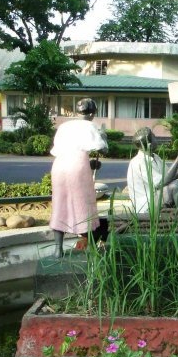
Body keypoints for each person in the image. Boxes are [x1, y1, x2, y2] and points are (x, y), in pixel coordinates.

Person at [49, 98, 108, 258]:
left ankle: (57, 249)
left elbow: (63, 148)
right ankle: (89, 248)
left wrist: (90, 163)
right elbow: (103, 149)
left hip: (59, 165)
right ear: (92, 113)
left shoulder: (64, 126)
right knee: (84, 204)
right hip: (78, 166)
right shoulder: (90, 126)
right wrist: (104, 136)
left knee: (60, 204)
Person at [126, 127, 178, 214]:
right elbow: (162, 182)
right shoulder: (138, 162)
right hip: (147, 206)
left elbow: (171, 175)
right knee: (175, 185)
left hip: (161, 196)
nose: (156, 138)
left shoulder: (155, 157)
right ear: (149, 145)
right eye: (154, 137)